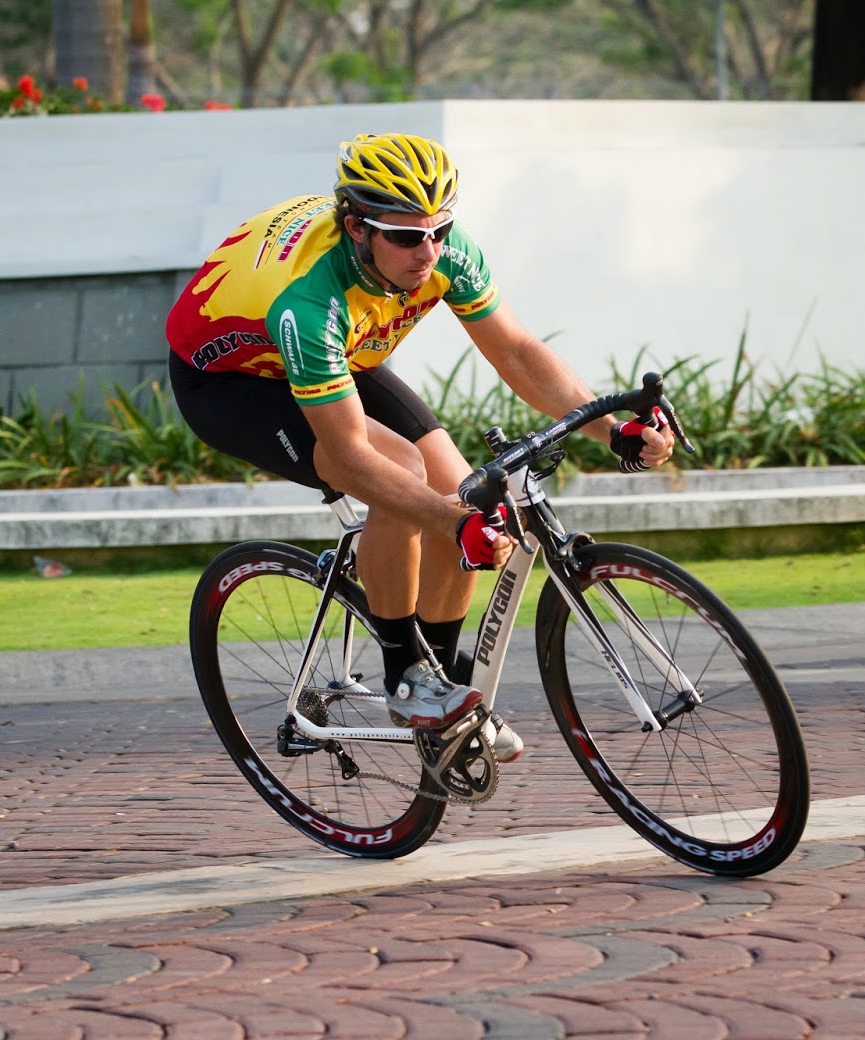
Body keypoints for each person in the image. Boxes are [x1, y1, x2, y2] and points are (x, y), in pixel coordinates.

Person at [166, 132, 675, 765]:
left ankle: (442, 689)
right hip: (233, 380)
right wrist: (452, 522)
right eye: (407, 237)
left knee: (461, 490)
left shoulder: (441, 252)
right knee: (403, 476)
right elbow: (353, 457)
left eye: (439, 230)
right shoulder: (310, 299)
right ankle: (406, 673)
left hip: (335, 355)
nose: (428, 251)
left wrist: (610, 429)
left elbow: (516, 351)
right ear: (356, 227)